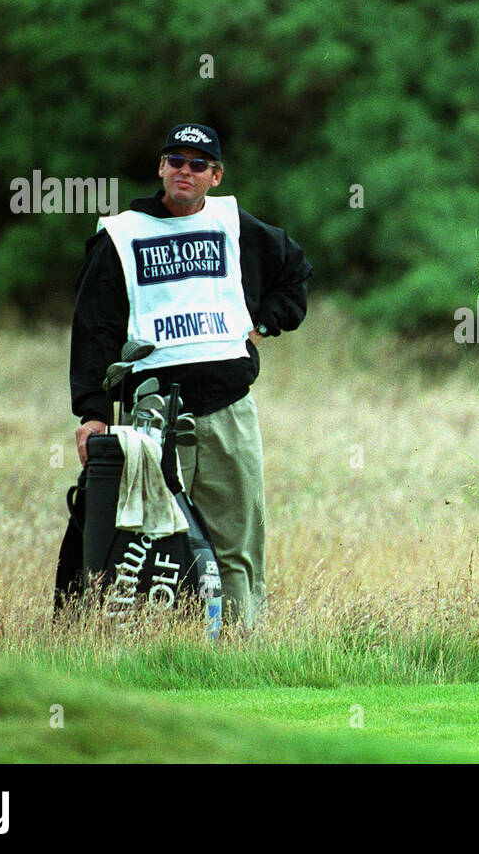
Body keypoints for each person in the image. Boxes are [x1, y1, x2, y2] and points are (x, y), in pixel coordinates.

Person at [70, 123, 311, 631]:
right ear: (160, 168)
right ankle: (161, 649)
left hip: (229, 410)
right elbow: (94, 329)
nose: (185, 170)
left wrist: (261, 327)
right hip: (150, 417)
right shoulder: (121, 233)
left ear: (215, 175)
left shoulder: (234, 224)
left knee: (236, 545)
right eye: (176, 160)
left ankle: (241, 653)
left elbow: (295, 272)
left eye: (198, 164)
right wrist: (92, 413)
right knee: (149, 545)